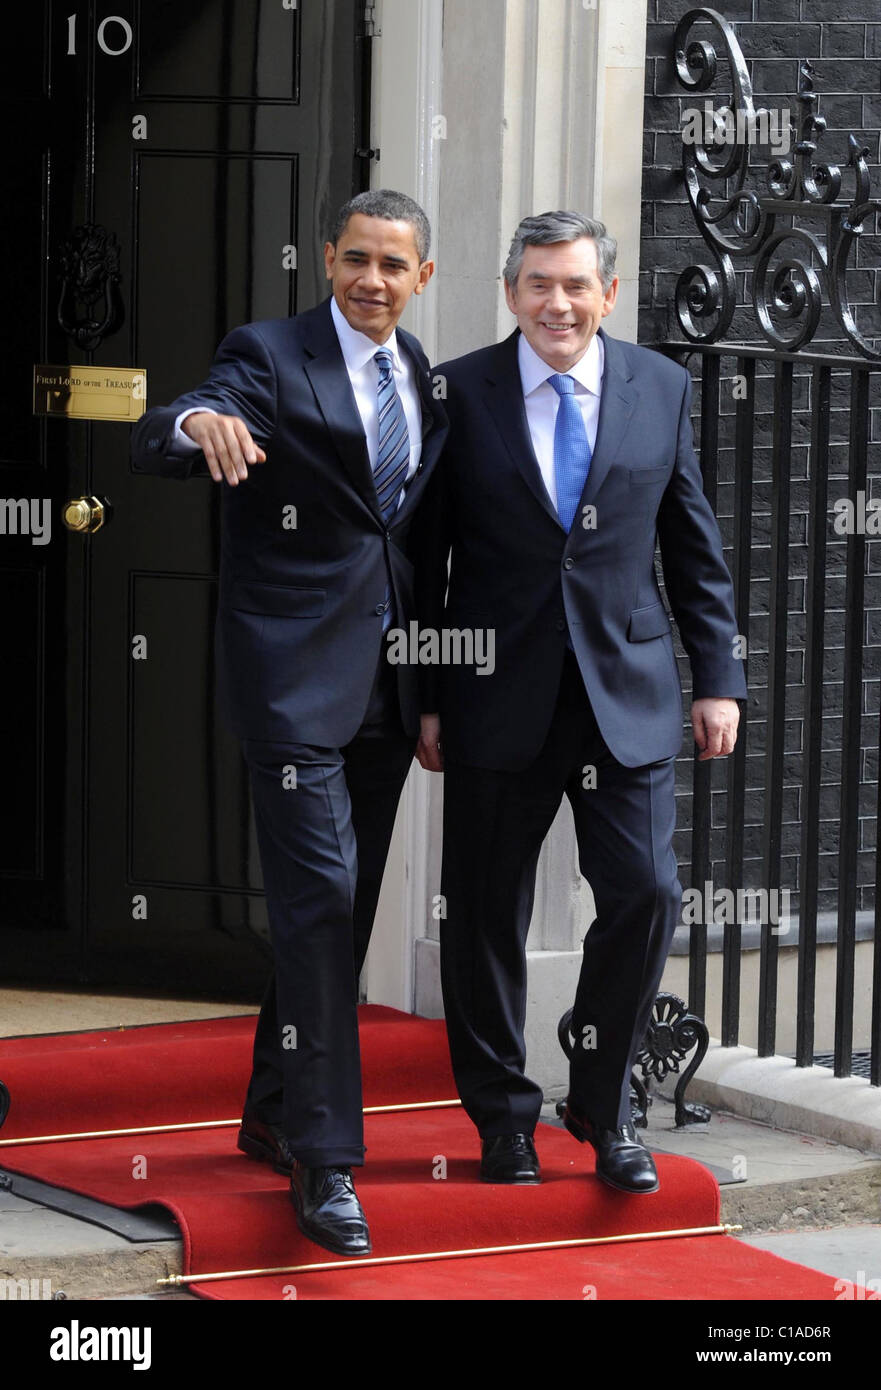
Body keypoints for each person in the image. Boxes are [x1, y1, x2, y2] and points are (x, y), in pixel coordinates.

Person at [131, 189, 448, 1255]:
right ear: (324, 259)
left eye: (390, 265)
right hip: (290, 684)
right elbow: (171, 427)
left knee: (341, 914)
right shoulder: (268, 357)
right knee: (319, 898)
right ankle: (326, 1161)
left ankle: (270, 1105)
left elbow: (427, 548)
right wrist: (193, 422)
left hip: (388, 689)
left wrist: (437, 688)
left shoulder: (425, 384)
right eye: (353, 259)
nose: (369, 279)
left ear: (421, 277)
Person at [414, 211, 746, 1194]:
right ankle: (502, 1118)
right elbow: (422, 554)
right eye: (536, 285)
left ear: (606, 292)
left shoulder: (658, 385)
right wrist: (425, 691)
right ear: (509, 292)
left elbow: (690, 540)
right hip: (490, 693)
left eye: (574, 285)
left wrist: (717, 674)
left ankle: (603, 1106)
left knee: (645, 892)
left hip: (624, 694)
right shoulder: (458, 390)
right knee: (482, 913)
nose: (556, 303)